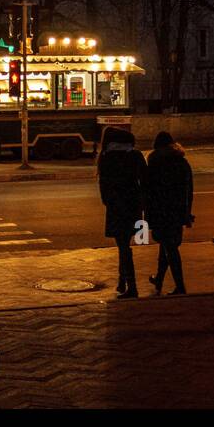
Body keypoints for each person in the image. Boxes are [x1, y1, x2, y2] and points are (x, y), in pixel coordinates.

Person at [144, 131, 194, 296]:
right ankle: (159, 278)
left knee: (170, 248)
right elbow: (189, 191)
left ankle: (180, 286)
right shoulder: (182, 162)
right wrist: (186, 213)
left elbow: (149, 191)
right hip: (177, 211)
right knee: (167, 246)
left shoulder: (155, 163)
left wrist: (148, 214)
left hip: (161, 211)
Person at [97, 126, 145, 299]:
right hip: (134, 205)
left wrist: (109, 201)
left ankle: (130, 286)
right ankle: (122, 281)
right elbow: (144, 180)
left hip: (116, 206)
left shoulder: (106, 157)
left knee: (122, 246)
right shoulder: (135, 155)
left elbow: (103, 184)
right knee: (127, 244)